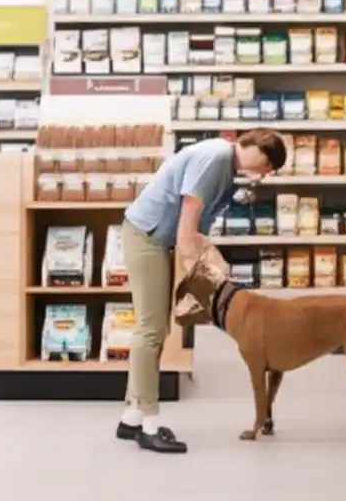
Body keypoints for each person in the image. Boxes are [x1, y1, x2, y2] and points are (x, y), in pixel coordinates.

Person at [114, 129, 287, 453]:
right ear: (254, 149)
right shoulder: (216, 158)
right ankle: (149, 426)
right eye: (265, 165)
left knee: (156, 329)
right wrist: (202, 274)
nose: (263, 173)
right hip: (148, 236)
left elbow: (196, 229)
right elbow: (186, 228)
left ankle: (132, 417)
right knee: (150, 331)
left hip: (157, 240)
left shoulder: (228, 168)